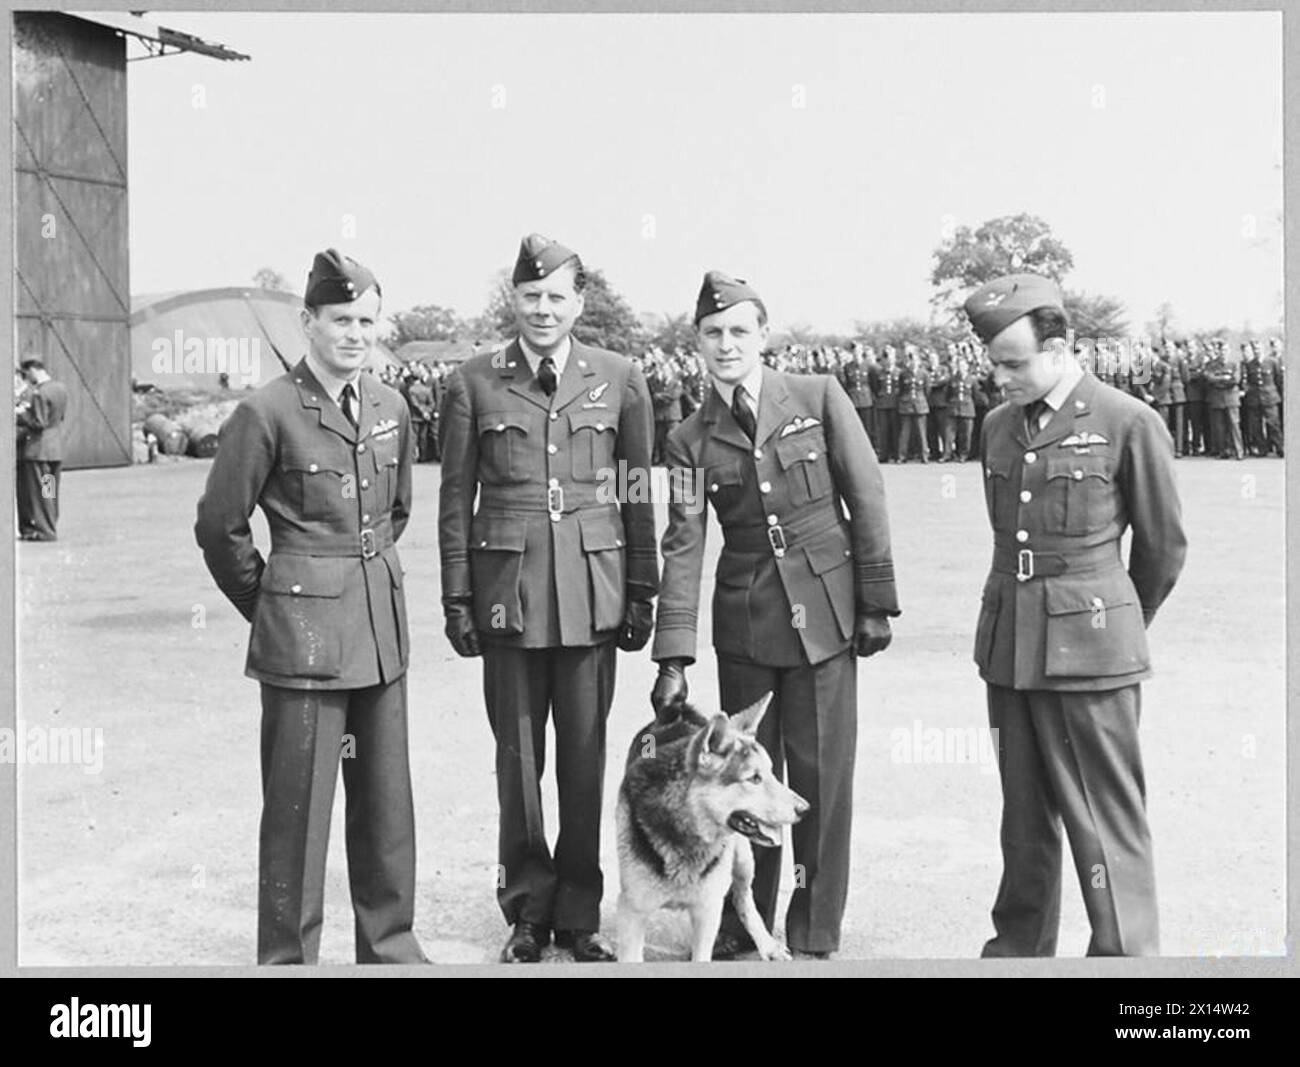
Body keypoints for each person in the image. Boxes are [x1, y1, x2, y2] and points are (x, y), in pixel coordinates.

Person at [650, 271, 899, 959]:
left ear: (764, 335)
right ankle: (747, 921)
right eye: (711, 333)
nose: (726, 344)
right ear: (696, 343)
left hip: (825, 611)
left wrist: (875, 600)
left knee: (820, 779)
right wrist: (674, 654)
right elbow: (686, 541)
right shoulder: (689, 438)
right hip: (748, 623)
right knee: (744, 785)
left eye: (738, 331)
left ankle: (815, 926)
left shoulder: (816, 398)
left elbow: (866, 493)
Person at [194, 249, 427, 965]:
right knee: (297, 816)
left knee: (387, 809)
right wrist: (271, 606)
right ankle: (287, 960)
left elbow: (395, 511)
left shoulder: (390, 405)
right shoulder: (265, 412)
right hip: (303, 645)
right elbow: (218, 525)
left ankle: (389, 949)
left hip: (379, 633)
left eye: (366, 320)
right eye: (340, 320)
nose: (355, 334)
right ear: (307, 322)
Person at [437, 233, 657, 964]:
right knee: (517, 762)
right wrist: (458, 598)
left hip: (593, 592)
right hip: (510, 595)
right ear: (514, 299)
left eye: (556, 296)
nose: (542, 308)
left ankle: (578, 914)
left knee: (586, 761)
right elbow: (454, 498)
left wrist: (642, 590)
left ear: (579, 302)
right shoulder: (475, 381)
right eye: (530, 295)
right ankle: (527, 910)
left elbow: (635, 490)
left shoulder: (619, 377)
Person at [964, 273, 1186, 957]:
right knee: (1024, 819)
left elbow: (1162, 546)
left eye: (1014, 363)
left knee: (1102, 822)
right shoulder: (998, 425)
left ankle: (1123, 965)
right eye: (994, 363)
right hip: (1011, 647)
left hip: (1091, 651)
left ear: (1059, 347)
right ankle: (1019, 952)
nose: (1000, 377)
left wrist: (1112, 622)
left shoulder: (1126, 420)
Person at [15, 357, 70, 542]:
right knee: (49, 491)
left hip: (38, 450)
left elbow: (39, 423)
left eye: (25, 374)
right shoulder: (60, 389)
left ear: (32, 370)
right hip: (54, 449)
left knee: (38, 494)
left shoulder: (39, 393)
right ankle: (50, 525)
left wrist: (21, 415)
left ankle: (44, 530)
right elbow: (58, 418)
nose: (25, 378)